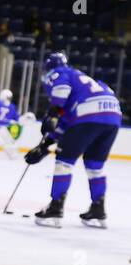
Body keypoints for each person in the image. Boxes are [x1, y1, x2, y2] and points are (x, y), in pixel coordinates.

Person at [26, 52, 121, 227]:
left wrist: (53, 112)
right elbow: (69, 121)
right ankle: (98, 210)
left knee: (64, 163)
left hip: (88, 114)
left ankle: (55, 207)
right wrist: (47, 144)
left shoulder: (60, 73)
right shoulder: (84, 81)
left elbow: (63, 95)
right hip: (113, 116)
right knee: (95, 166)